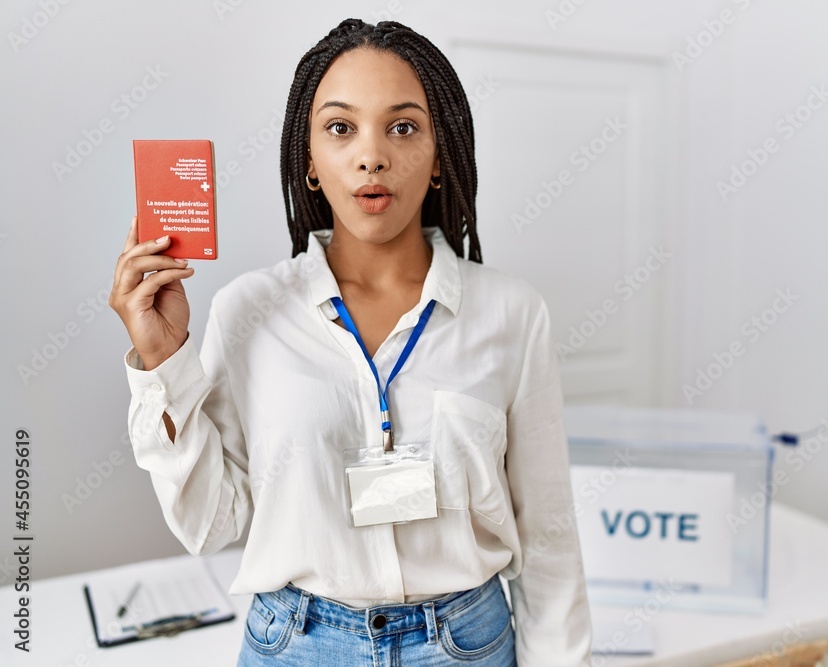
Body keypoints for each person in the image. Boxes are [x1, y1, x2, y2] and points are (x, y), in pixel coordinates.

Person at [110, 18, 592, 666]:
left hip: (466, 643)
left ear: (441, 152)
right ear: (309, 158)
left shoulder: (511, 312)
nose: (372, 155)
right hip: (296, 643)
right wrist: (162, 363)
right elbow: (210, 525)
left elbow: (550, 540)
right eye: (341, 128)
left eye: (403, 126)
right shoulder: (249, 311)